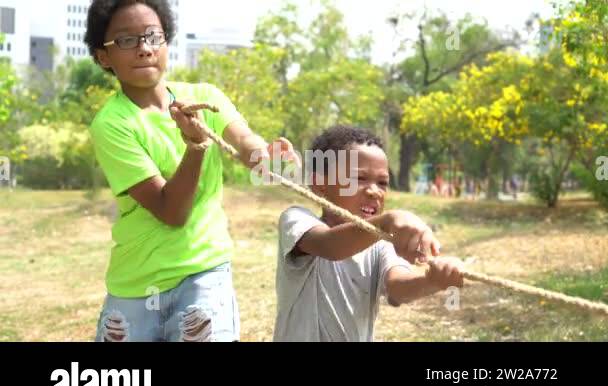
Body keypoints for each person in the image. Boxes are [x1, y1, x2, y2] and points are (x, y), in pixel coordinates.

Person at [85, 0, 297, 342]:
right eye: (127, 40)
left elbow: (243, 141)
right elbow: (172, 212)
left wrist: (265, 154)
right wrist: (195, 147)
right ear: (103, 57)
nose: (144, 49)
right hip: (134, 285)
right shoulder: (111, 124)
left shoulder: (205, 97)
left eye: (153, 37)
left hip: (203, 274)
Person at [273, 126, 464, 342]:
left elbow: (398, 289)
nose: (374, 191)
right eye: (359, 178)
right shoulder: (297, 220)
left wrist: (432, 279)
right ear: (320, 185)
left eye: (382, 183)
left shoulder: (380, 245)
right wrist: (387, 221)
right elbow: (330, 246)